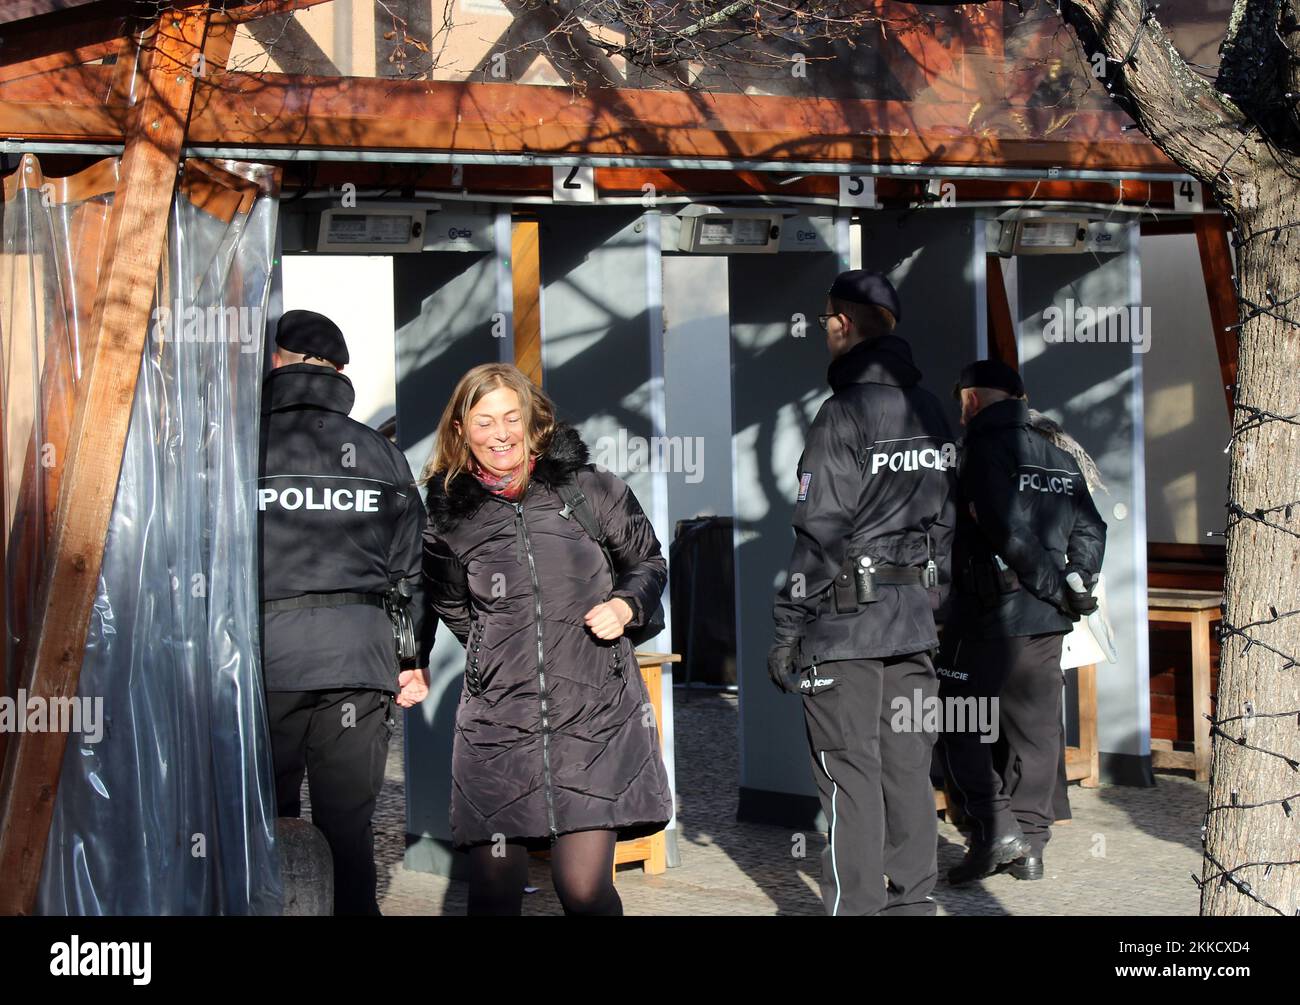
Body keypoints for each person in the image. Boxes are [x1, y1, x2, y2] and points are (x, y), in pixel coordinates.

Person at [420, 363, 672, 916]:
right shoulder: (447, 518)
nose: (501, 432)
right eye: (484, 421)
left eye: (512, 417)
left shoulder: (590, 489)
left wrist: (626, 605)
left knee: (582, 889)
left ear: (535, 423)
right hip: (498, 723)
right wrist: (498, 651)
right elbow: (451, 606)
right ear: (460, 429)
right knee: (492, 892)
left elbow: (648, 561)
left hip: (593, 714)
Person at [768, 270, 957, 917]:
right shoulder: (932, 408)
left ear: (843, 323)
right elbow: (949, 525)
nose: (823, 330)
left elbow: (820, 530)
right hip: (912, 625)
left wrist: (789, 625)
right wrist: (935, 608)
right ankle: (914, 904)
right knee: (907, 771)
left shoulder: (841, 414)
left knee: (851, 774)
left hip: (845, 630)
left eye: (825, 319)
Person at [258, 309, 429, 916]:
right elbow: (410, 571)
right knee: (347, 825)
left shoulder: (237, 446)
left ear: (276, 359)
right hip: (360, 660)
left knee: (264, 820)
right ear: (341, 371)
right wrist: (410, 660)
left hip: (263, 662)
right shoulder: (381, 454)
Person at [940, 359, 1107, 884]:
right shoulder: (1058, 454)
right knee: (1035, 735)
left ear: (970, 400)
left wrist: (1058, 587)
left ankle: (1000, 831)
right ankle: (1030, 845)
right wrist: (1077, 582)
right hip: (1047, 622)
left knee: (956, 724)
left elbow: (1006, 531)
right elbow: (1091, 526)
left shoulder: (983, 452)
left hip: (988, 619)